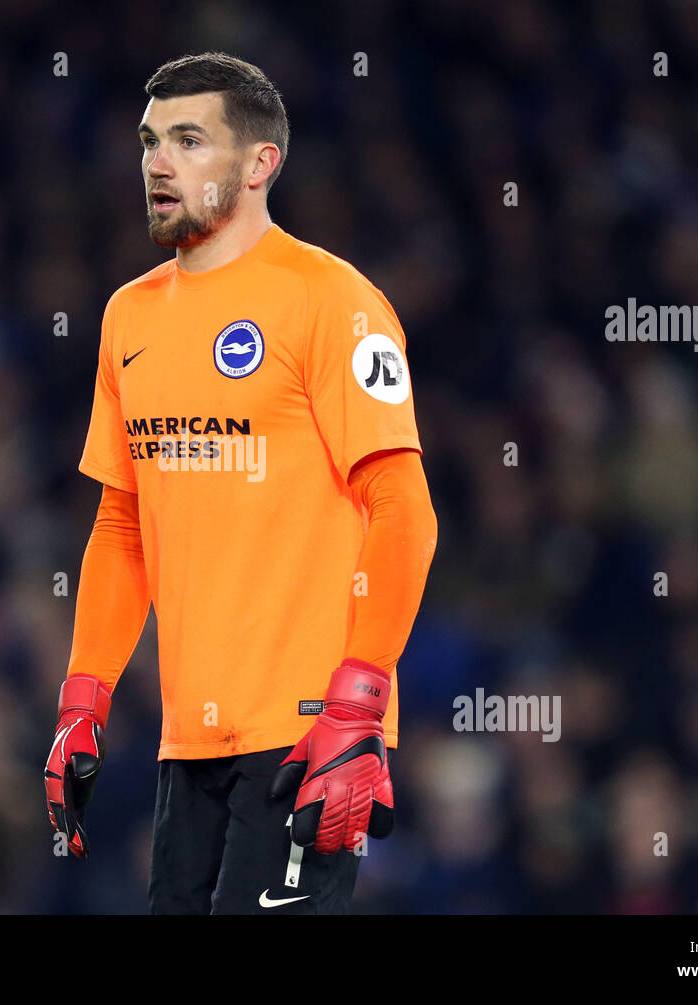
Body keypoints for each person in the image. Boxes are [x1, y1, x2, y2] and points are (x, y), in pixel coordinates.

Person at [44, 51, 438, 914]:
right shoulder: (128, 316)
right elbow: (120, 526)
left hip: (308, 729)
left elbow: (404, 509)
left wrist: (360, 700)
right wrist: (85, 695)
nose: (157, 162)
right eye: (150, 141)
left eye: (189, 140)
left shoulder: (334, 301)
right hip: (187, 741)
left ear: (261, 164)